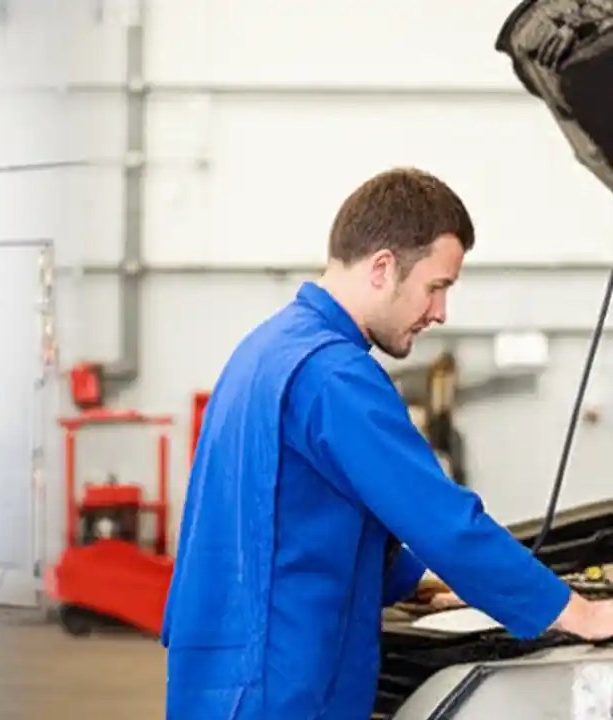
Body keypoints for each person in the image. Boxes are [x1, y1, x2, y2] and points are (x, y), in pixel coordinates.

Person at [160, 167, 613, 719]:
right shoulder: (334, 376)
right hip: (281, 687)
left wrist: (411, 581)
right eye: (436, 287)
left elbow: (290, 519)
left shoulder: (267, 350)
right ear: (382, 268)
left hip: (227, 680)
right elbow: (441, 520)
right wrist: (578, 614)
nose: (441, 312)